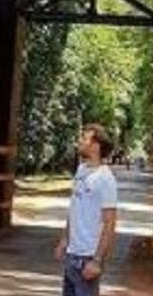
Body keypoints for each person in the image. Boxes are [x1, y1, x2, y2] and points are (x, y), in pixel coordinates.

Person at [55, 123, 118, 295]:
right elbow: (74, 208)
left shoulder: (105, 179)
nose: (79, 142)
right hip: (72, 255)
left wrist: (97, 261)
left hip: (87, 259)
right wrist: (64, 240)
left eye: (84, 139)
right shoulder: (81, 170)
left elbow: (109, 222)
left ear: (96, 146)